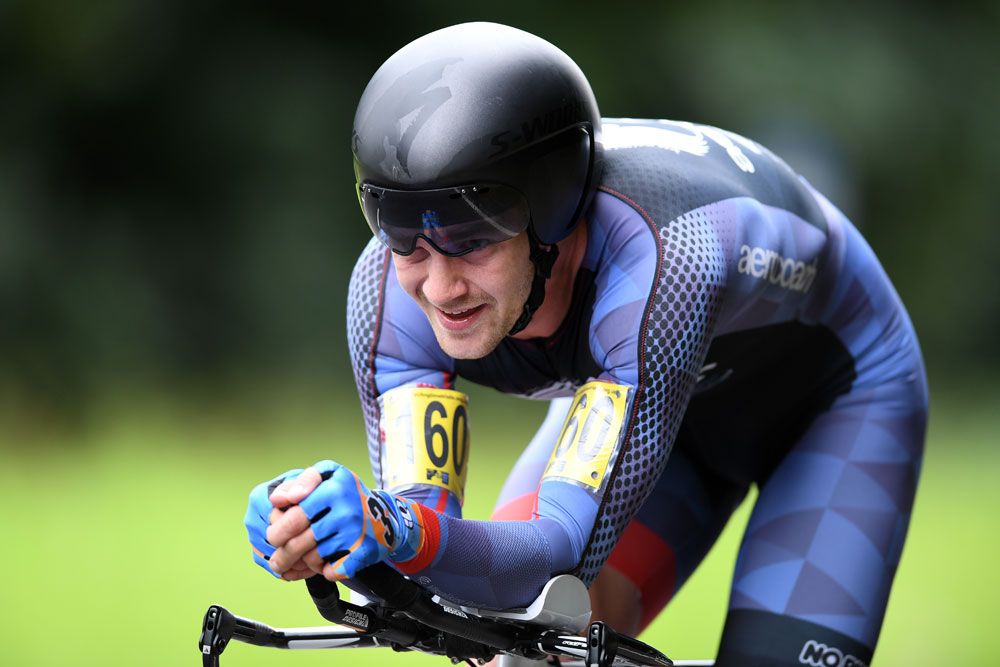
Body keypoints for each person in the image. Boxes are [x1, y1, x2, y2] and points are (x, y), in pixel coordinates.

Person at [244, 21, 927, 666]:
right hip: (667, 409)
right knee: (512, 644)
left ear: (553, 214)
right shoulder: (390, 293)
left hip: (836, 404)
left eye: (474, 240)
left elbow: (553, 554)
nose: (440, 287)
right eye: (403, 238)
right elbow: (430, 545)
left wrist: (394, 532)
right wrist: (328, 532)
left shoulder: (659, 258)